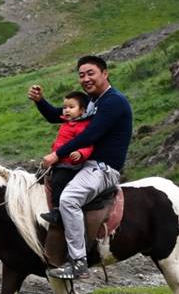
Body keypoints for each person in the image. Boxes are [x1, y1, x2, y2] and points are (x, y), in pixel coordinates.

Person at [27, 55, 133, 280]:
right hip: (85, 165)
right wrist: (40, 101)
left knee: (69, 199)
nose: (86, 78)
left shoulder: (113, 102)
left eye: (91, 73)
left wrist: (57, 154)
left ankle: (78, 262)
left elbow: (90, 135)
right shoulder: (93, 103)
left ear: (105, 73)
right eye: (82, 75)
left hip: (103, 168)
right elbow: (58, 115)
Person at [38, 92, 92, 263]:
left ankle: (57, 212)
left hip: (70, 164)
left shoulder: (83, 126)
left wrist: (80, 153)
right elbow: (53, 115)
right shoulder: (67, 122)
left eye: (71, 107)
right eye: (65, 107)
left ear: (82, 110)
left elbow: (89, 144)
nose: (66, 110)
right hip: (59, 160)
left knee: (59, 181)